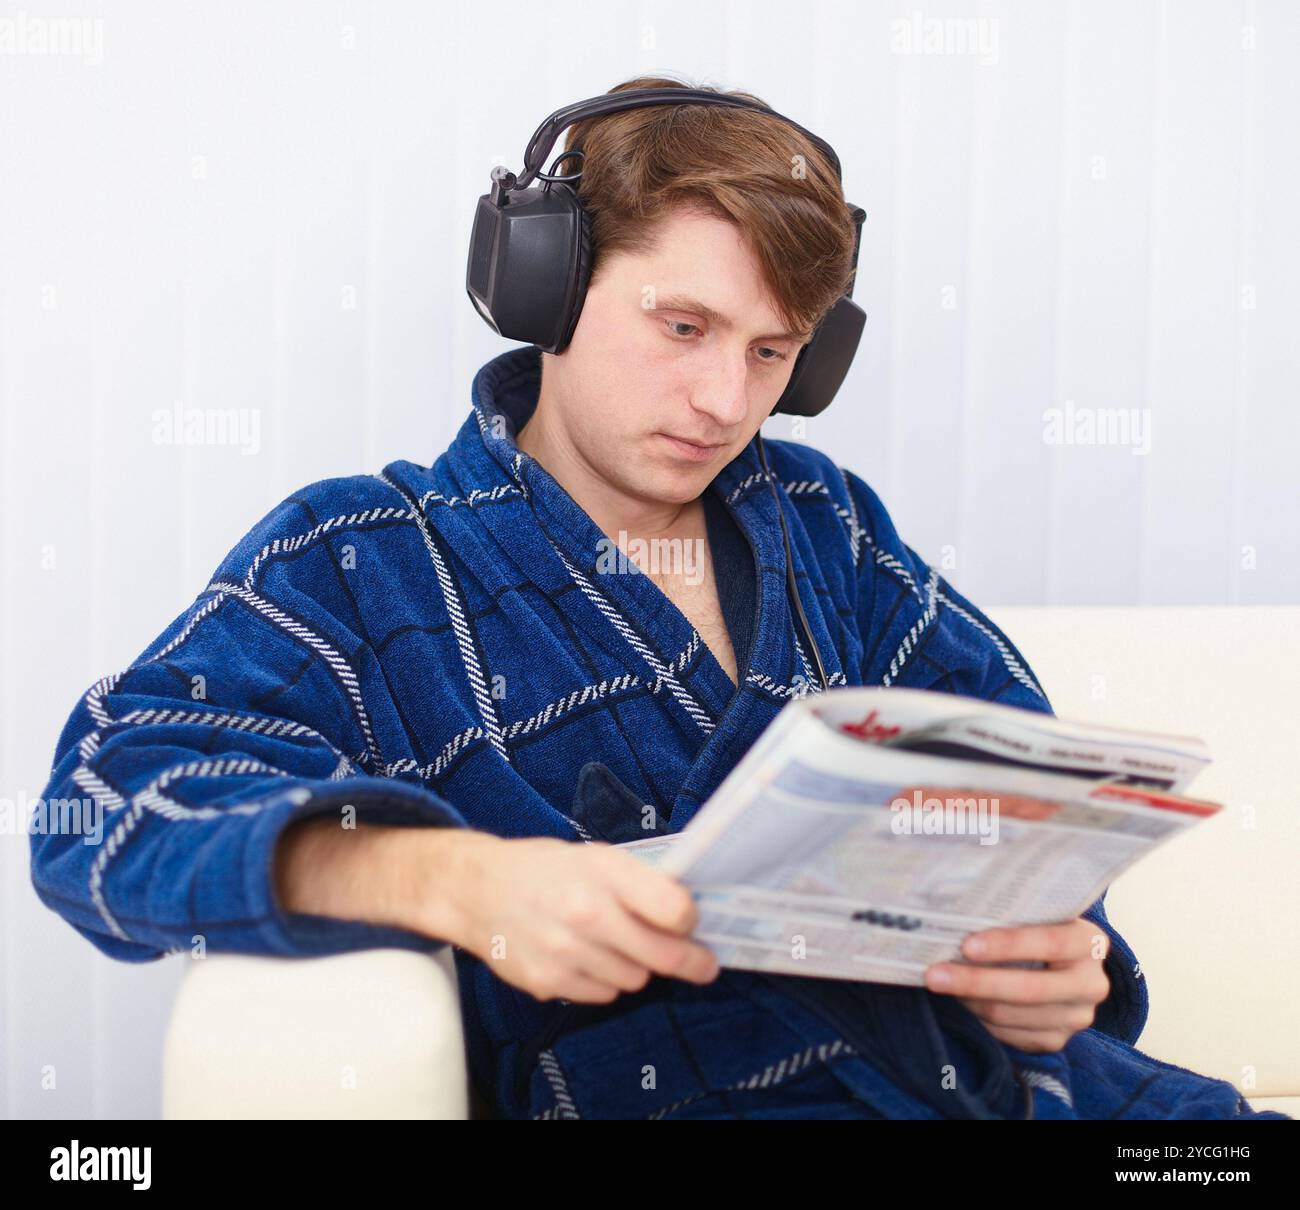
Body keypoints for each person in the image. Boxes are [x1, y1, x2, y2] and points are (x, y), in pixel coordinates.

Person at [31, 74, 1287, 1120]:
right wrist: (450, 880)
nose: (724, 403)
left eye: (770, 353)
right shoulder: (361, 551)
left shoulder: (827, 528)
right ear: (545, 285)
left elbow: (1029, 802)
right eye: (682, 325)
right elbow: (96, 806)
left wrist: (1056, 965)